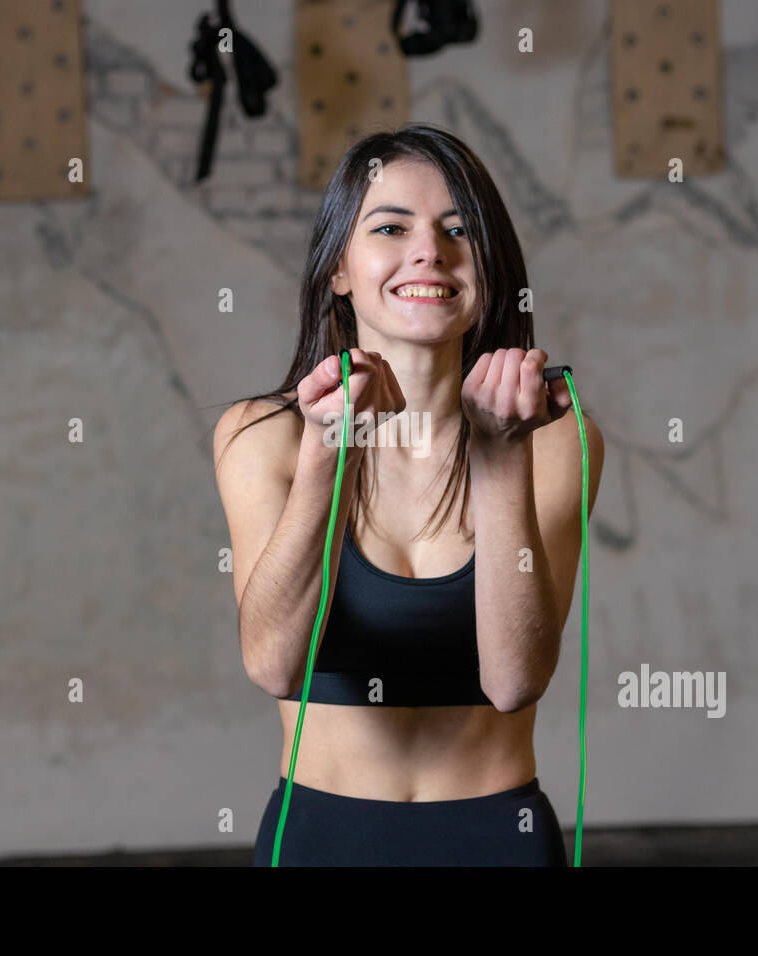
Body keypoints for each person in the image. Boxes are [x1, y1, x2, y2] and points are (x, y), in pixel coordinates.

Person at [212, 123, 604, 866]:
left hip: (497, 836)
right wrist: (330, 453)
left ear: (490, 268)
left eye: (460, 230)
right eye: (391, 227)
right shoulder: (260, 437)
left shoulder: (556, 439)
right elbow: (274, 666)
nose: (430, 250)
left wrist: (498, 458)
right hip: (320, 837)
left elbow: (515, 680)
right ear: (338, 268)